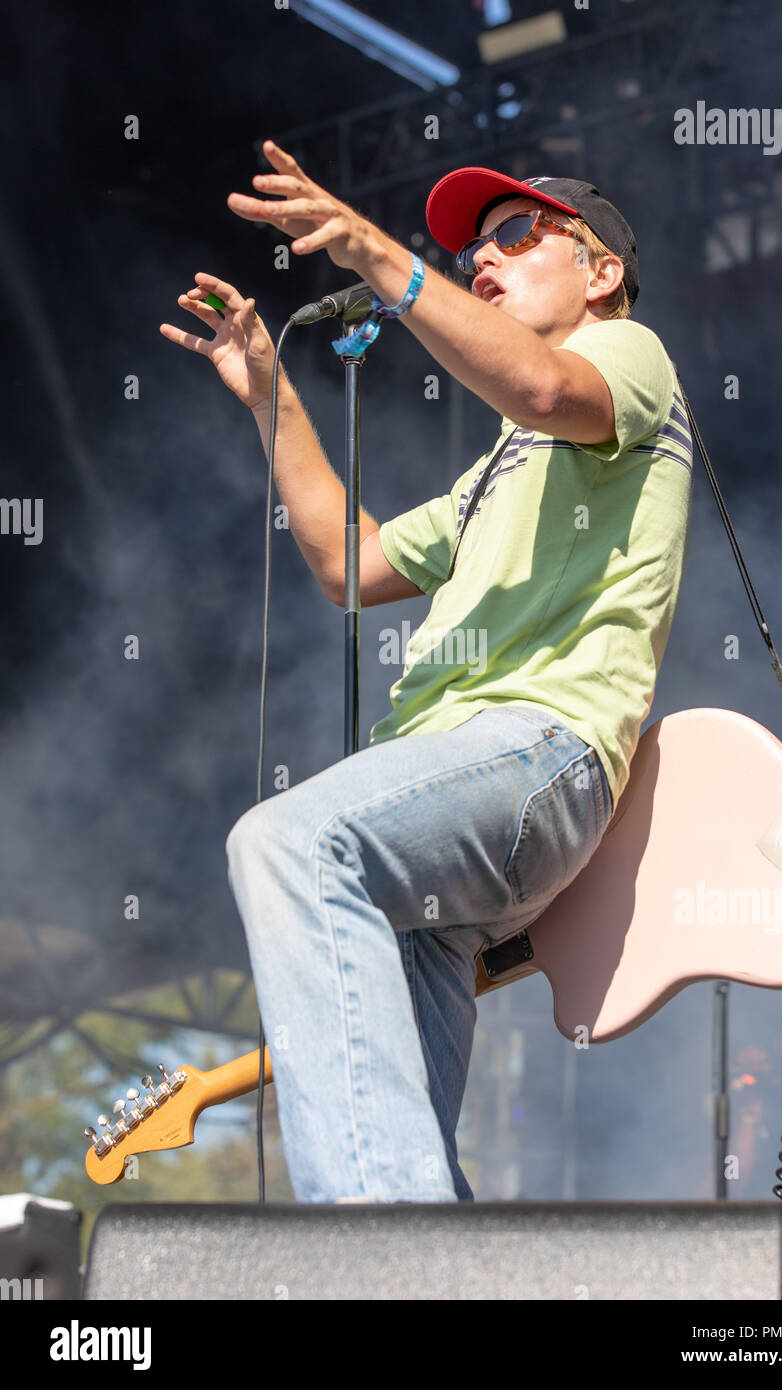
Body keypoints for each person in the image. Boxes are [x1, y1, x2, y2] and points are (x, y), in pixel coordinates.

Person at [159, 144, 693, 1204]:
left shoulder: (630, 353)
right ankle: (425, 1262)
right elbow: (345, 566)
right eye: (467, 248)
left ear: (598, 271)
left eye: (509, 235)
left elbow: (543, 382)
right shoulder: (499, 463)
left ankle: (374, 1258)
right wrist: (270, 395)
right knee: (402, 1131)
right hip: (452, 790)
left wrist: (371, 249)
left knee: (294, 840)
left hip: (533, 748)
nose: (480, 261)